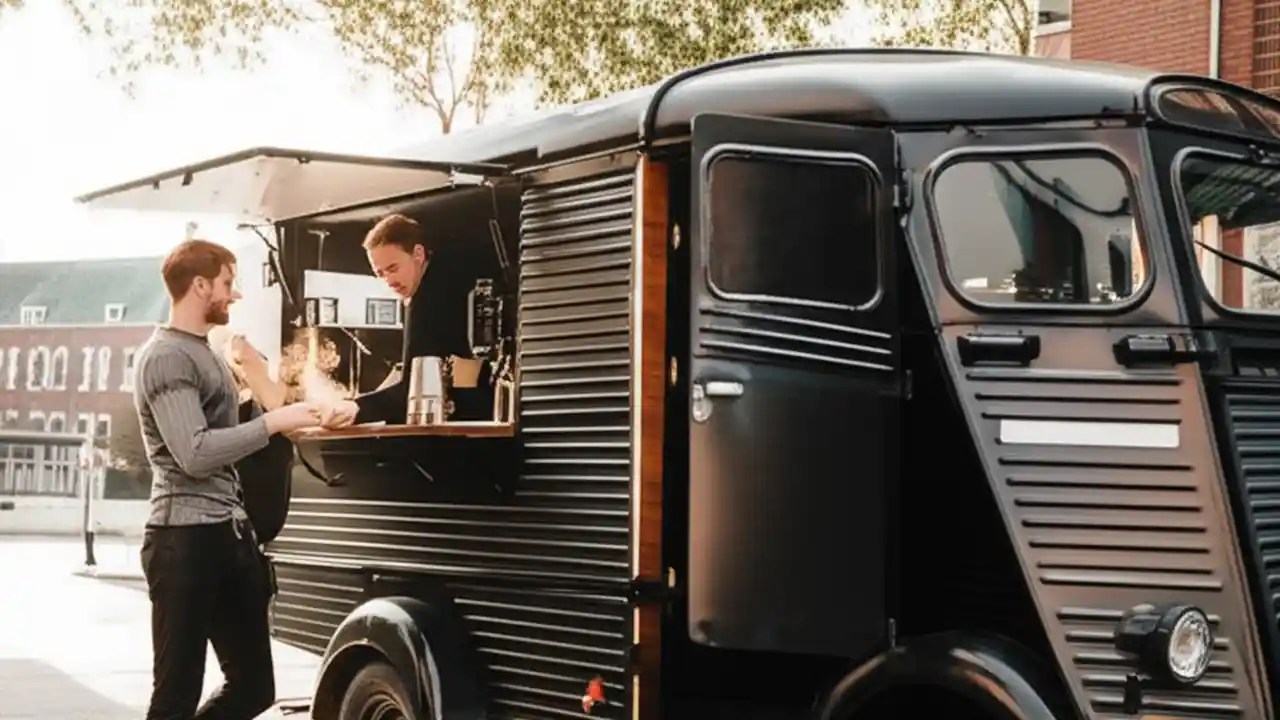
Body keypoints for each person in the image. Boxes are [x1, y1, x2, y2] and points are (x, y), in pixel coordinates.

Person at [132, 238, 323, 720]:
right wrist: (274, 423)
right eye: (225, 284)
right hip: (184, 541)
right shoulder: (167, 357)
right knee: (176, 697)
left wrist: (272, 401)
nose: (233, 295)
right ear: (199, 285)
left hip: (227, 535)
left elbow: (226, 431)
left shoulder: (205, 352)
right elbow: (194, 453)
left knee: (254, 688)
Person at [320, 213, 476, 427]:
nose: (389, 281)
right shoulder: (445, 281)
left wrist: (356, 407)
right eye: (380, 274)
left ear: (418, 254)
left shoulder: (429, 297)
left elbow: (411, 388)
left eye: (393, 268)